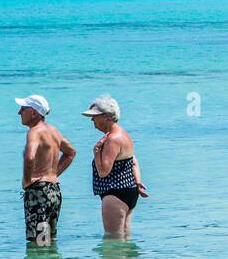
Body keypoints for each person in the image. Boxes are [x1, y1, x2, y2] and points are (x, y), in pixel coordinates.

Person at [84, 94, 148, 238]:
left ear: (107, 116)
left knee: (112, 240)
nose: (92, 119)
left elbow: (103, 172)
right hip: (129, 192)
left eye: (95, 116)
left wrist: (96, 153)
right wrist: (138, 182)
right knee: (125, 237)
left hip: (115, 194)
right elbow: (134, 161)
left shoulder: (112, 139)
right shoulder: (124, 134)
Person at [18, 94, 75, 246]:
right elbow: (70, 152)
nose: (19, 112)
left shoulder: (34, 132)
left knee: (37, 243)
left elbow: (30, 157)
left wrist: (27, 181)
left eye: (23, 109)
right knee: (49, 240)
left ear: (33, 112)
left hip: (38, 193)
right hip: (54, 191)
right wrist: (53, 174)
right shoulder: (54, 131)